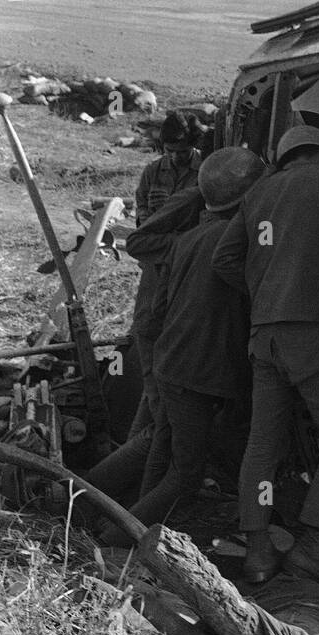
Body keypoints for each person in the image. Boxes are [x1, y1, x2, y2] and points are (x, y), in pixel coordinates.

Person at [212, 125, 319, 599]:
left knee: (263, 444)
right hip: (312, 334)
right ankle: (313, 546)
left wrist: (264, 294)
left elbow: (225, 259)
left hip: (266, 339)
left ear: (283, 156)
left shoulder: (258, 193)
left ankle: (258, 552)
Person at [91, 149, 264, 538]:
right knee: (186, 473)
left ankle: (92, 506)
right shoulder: (239, 244)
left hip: (171, 361)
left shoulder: (187, 240)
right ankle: (117, 534)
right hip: (197, 373)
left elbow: (160, 307)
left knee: (158, 442)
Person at [129, 112, 203, 434]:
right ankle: (155, 407)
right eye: (169, 150)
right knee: (147, 326)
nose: (175, 157)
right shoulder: (151, 173)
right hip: (158, 261)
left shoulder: (207, 171)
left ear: (194, 146)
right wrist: (169, 240)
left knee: (183, 332)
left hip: (191, 264)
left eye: (182, 151)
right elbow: (142, 221)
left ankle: (173, 415)